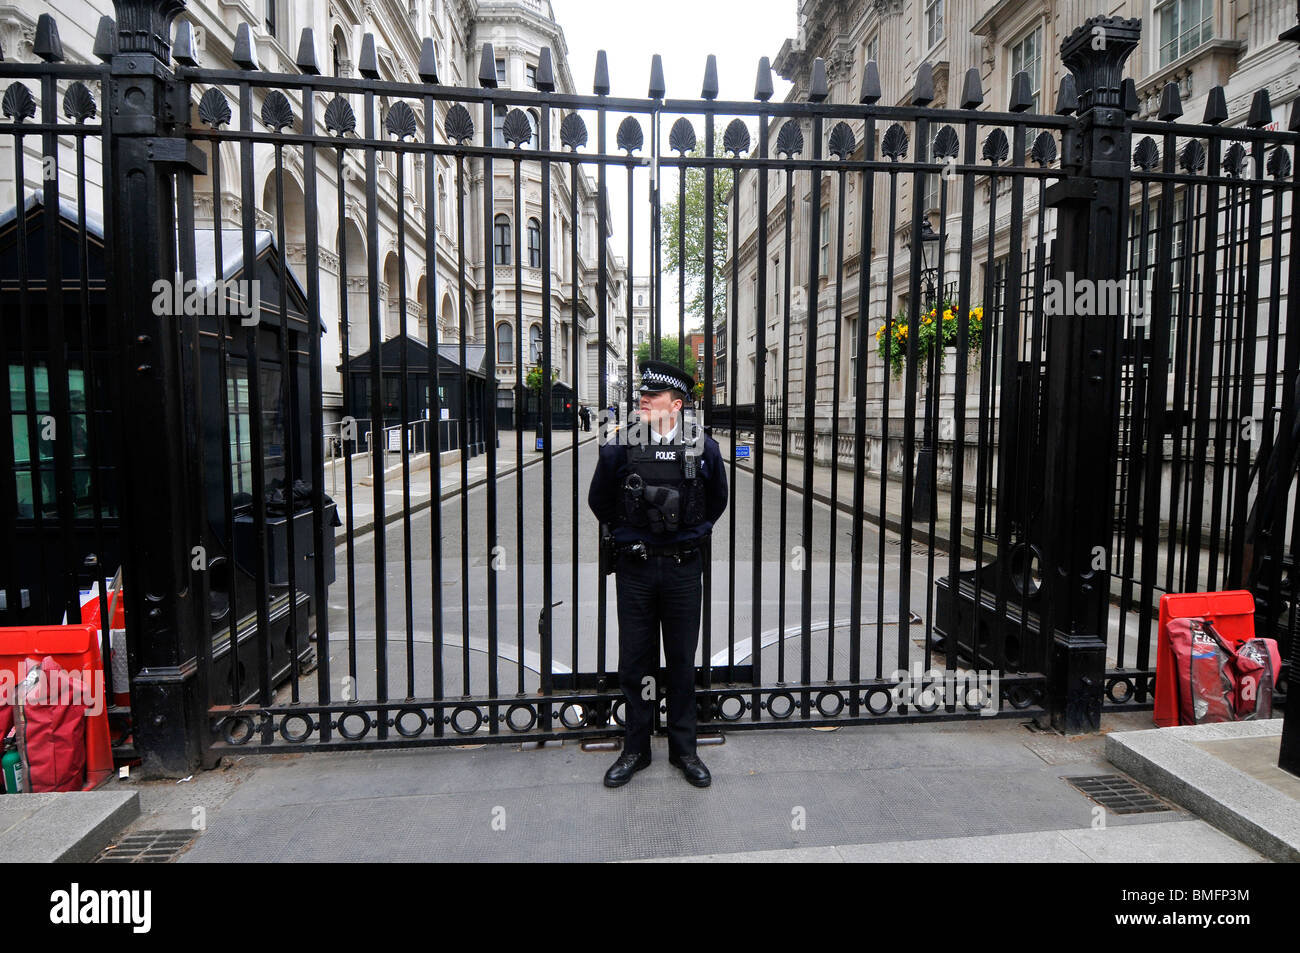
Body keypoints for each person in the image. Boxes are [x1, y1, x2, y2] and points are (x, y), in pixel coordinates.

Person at [587, 359, 728, 788]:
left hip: (684, 569)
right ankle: (636, 749)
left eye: (653, 396)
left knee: (682, 663)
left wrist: (688, 532)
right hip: (637, 568)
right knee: (635, 662)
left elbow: (716, 501)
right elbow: (600, 501)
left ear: (677, 404)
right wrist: (632, 535)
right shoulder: (619, 446)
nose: (643, 400)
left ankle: (685, 751)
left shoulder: (703, 447)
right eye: (642, 395)